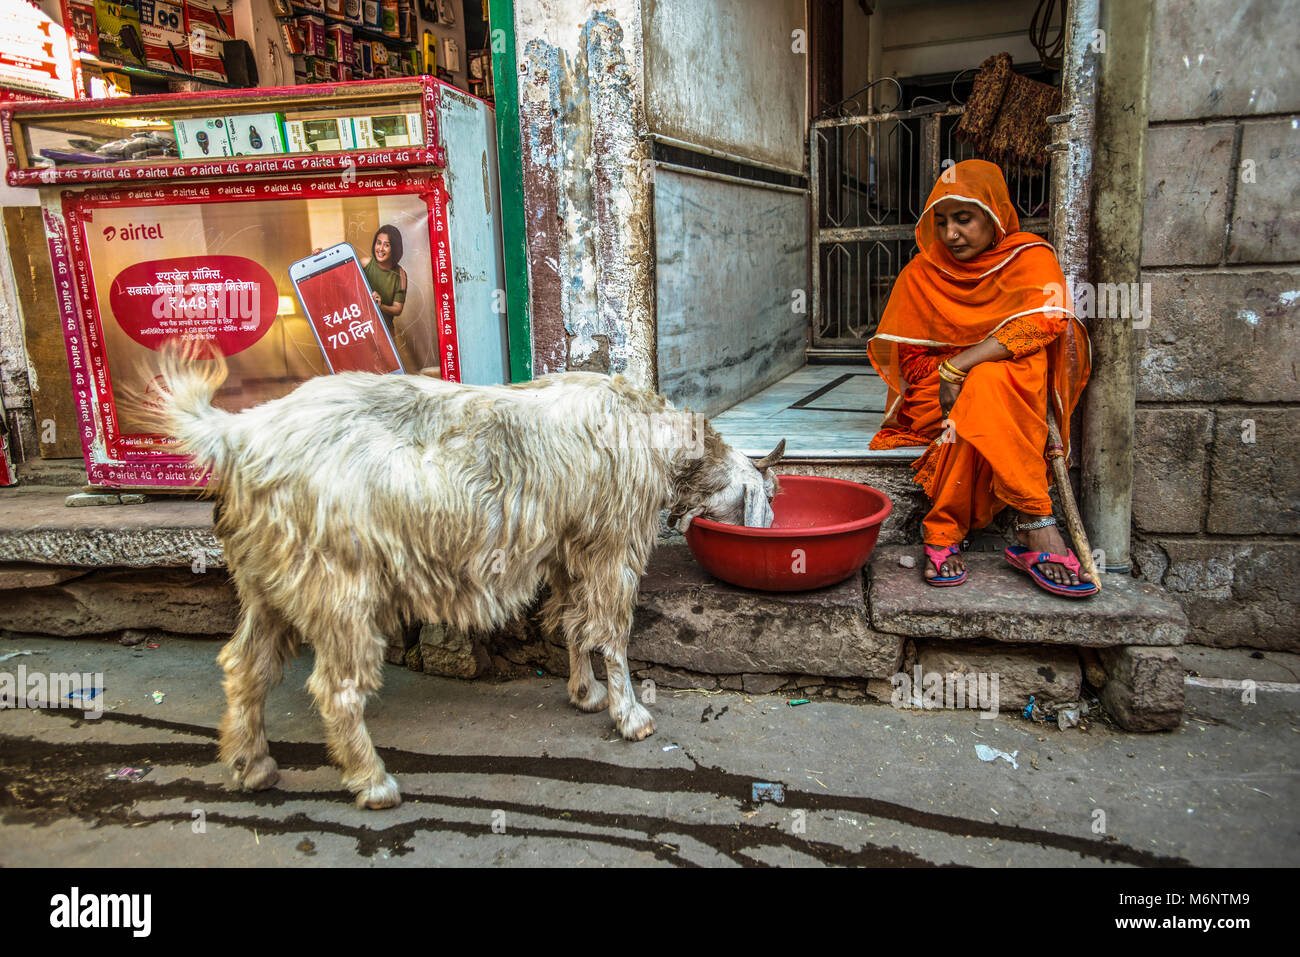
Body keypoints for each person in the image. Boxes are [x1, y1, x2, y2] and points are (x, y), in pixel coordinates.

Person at [866, 159, 1095, 597]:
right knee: (991, 384)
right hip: (941, 398)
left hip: (991, 390)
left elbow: (1046, 323)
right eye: (942, 221)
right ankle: (1037, 526)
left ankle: (943, 528)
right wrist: (951, 370)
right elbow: (913, 366)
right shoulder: (922, 273)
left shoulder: (1030, 257)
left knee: (998, 377)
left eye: (964, 218)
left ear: (994, 215)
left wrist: (963, 364)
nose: (951, 234)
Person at [361, 225, 408, 323]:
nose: (381, 249)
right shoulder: (364, 263)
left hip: (385, 330)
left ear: (394, 248)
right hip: (362, 326)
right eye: (378, 243)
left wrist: (380, 306)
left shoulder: (401, 274)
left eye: (386, 245)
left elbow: (398, 309)